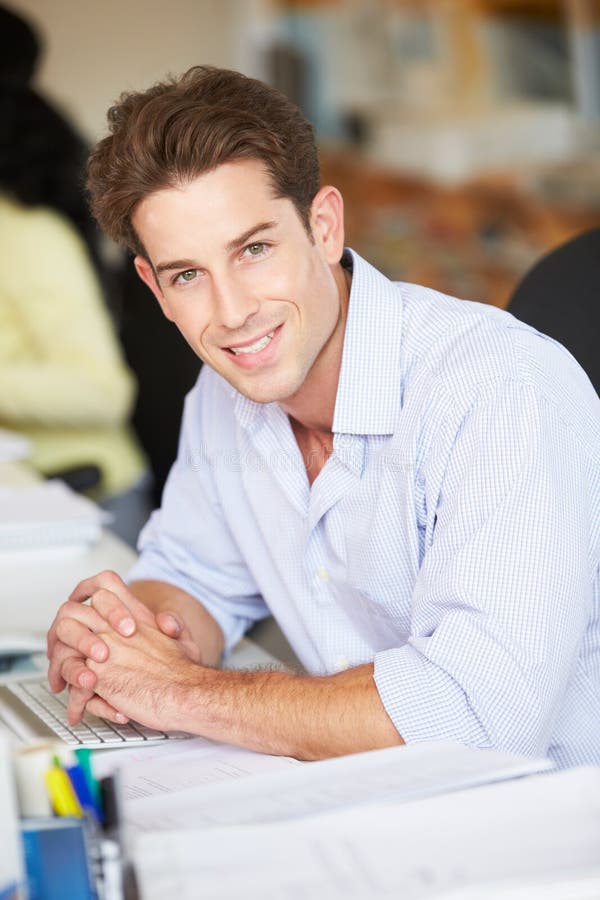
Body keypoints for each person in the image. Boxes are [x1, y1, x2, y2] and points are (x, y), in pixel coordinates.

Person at [46, 66, 600, 767]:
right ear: (156, 289)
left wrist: (179, 691)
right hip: (368, 803)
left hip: (546, 829)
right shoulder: (223, 396)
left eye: (254, 250)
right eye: (189, 274)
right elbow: (192, 576)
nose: (232, 312)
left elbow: (477, 716)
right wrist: (120, 638)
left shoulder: (497, 390)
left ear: (323, 226)